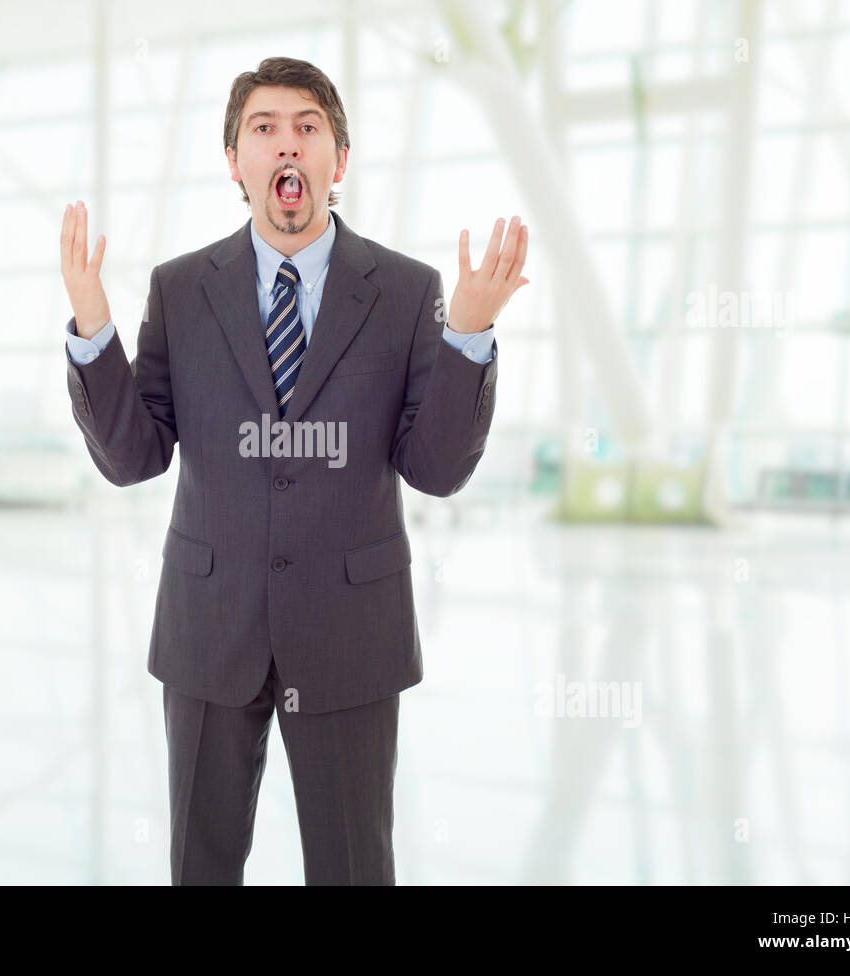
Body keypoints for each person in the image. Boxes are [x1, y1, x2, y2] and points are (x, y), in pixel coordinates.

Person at [58, 56, 529, 884]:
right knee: (200, 870)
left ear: (336, 162)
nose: (287, 144)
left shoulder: (407, 291)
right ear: (236, 161)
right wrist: (94, 329)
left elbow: (435, 470)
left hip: (350, 632)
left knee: (353, 868)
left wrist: (471, 335)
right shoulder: (179, 292)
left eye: (307, 128)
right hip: (211, 625)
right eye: (264, 128)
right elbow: (135, 457)